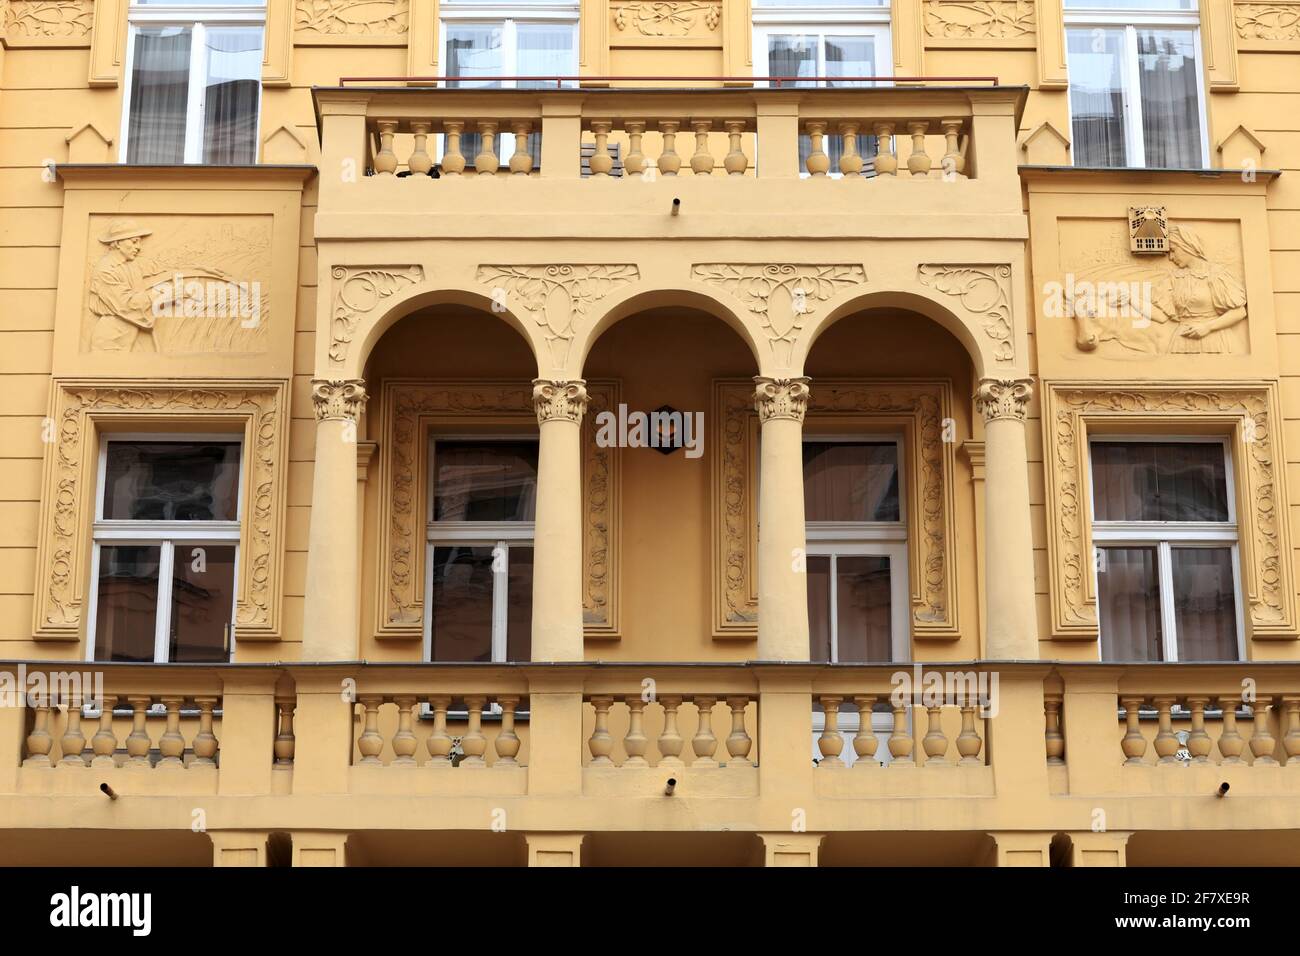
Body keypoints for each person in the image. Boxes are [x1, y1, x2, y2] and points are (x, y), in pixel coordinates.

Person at [1148, 224, 1248, 354]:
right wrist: (1130, 299)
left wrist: (1208, 327)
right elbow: (1161, 316)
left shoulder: (1216, 274)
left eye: (1173, 250)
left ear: (1187, 246)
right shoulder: (1174, 278)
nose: (1170, 257)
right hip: (1182, 342)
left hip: (1214, 341)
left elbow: (1239, 312)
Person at [88, 219, 165, 351]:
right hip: (110, 343)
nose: (138, 247)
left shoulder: (130, 266)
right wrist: (164, 294)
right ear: (117, 243)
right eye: (134, 241)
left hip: (129, 338)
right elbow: (127, 303)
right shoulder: (105, 270)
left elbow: (145, 282)